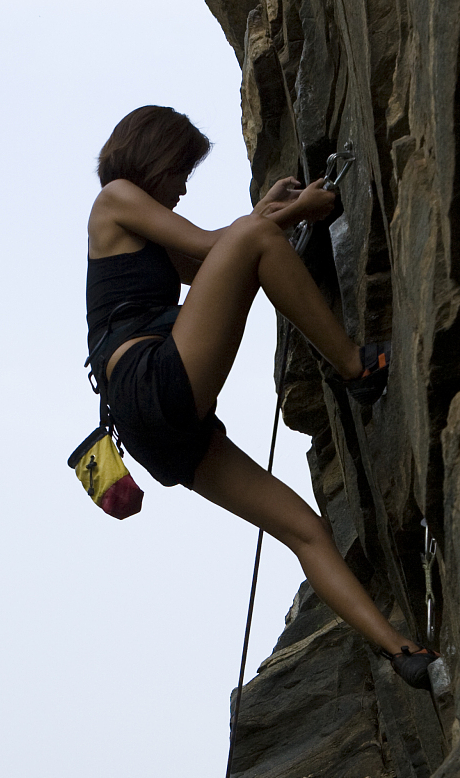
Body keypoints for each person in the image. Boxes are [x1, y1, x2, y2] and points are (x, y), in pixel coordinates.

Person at [86, 104, 439, 690]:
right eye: (181, 171)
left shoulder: (137, 226)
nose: (181, 188)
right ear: (155, 158)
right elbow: (224, 244)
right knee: (253, 239)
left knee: (305, 529)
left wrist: (268, 215)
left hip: (159, 431)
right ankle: (356, 366)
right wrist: (286, 214)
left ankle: (402, 652)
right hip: (150, 379)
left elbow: (210, 267)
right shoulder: (116, 197)